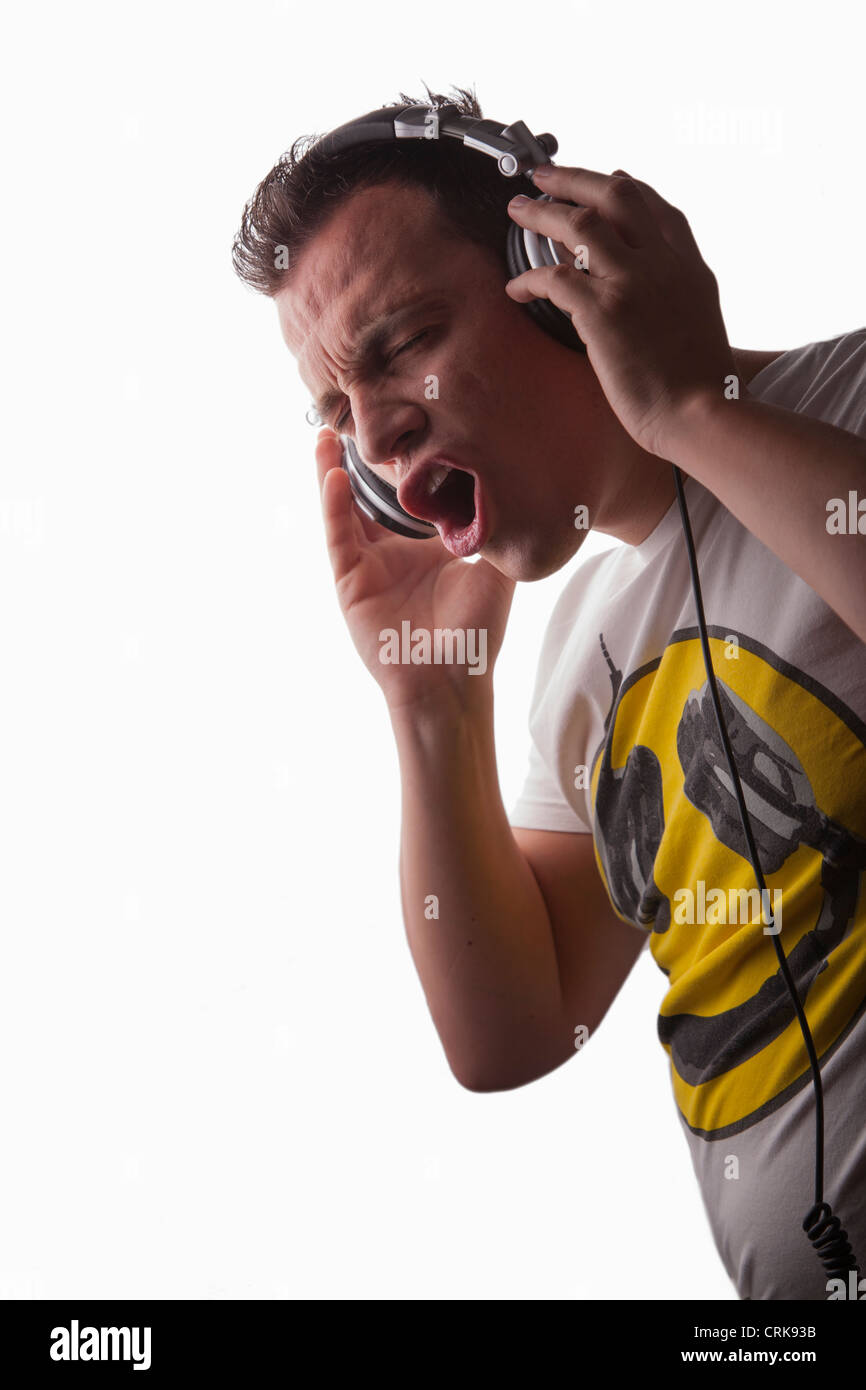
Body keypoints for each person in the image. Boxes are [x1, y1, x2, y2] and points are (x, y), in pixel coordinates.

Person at [232, 85, 866, 1300]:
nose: (373, 436)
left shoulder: (849, 405)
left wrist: (684, 405)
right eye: (333, 408)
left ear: (558, 268)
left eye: (401, 343)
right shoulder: (586, 662)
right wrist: (432, 703)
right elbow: (510, 1032)